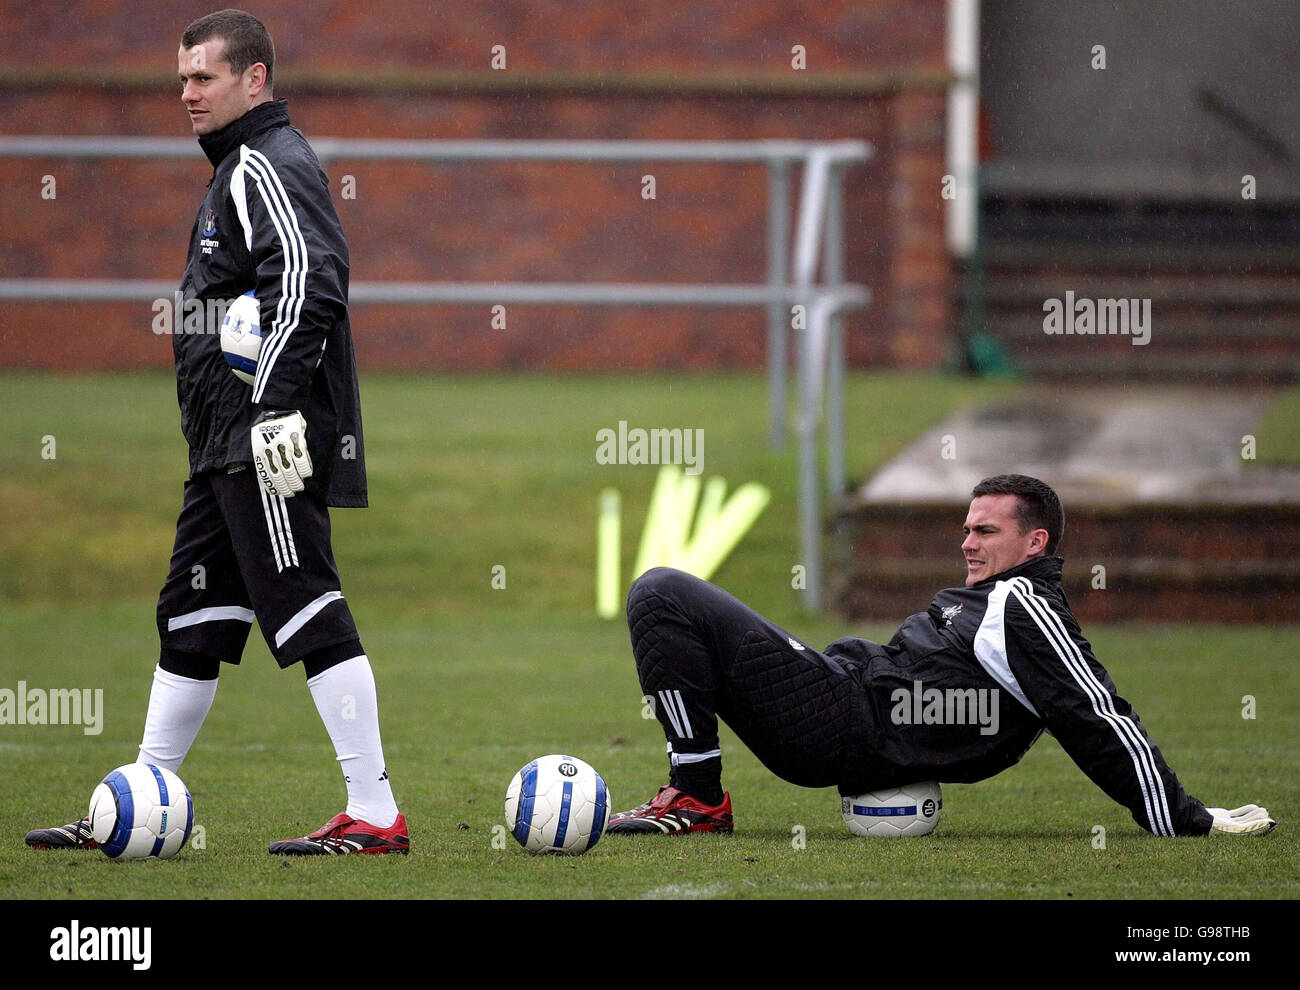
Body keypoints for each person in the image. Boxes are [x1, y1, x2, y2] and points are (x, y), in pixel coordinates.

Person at [26, 9, 407, 855]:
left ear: (254, 79)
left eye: (203, 77)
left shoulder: (269, 162)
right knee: (193, 614)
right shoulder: (235, 166)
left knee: (303, 601)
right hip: (221, 446)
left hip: (262, 437)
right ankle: (139, 801)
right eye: (182, 79)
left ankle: (375, 810)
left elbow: (311, 276)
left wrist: (272, 406)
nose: (187, 93)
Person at [606, 474, 1276, 838]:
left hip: (838, 720)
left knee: (661, 592)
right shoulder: (982, 600)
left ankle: (696, 795)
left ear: (1035, 541)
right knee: (671, 606)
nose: (968, 542)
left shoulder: (1025, 609)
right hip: (839, 702)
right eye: (966, 529)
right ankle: (695, 794)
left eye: (986, 530)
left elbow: (1093, 714)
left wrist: (1185, 817)